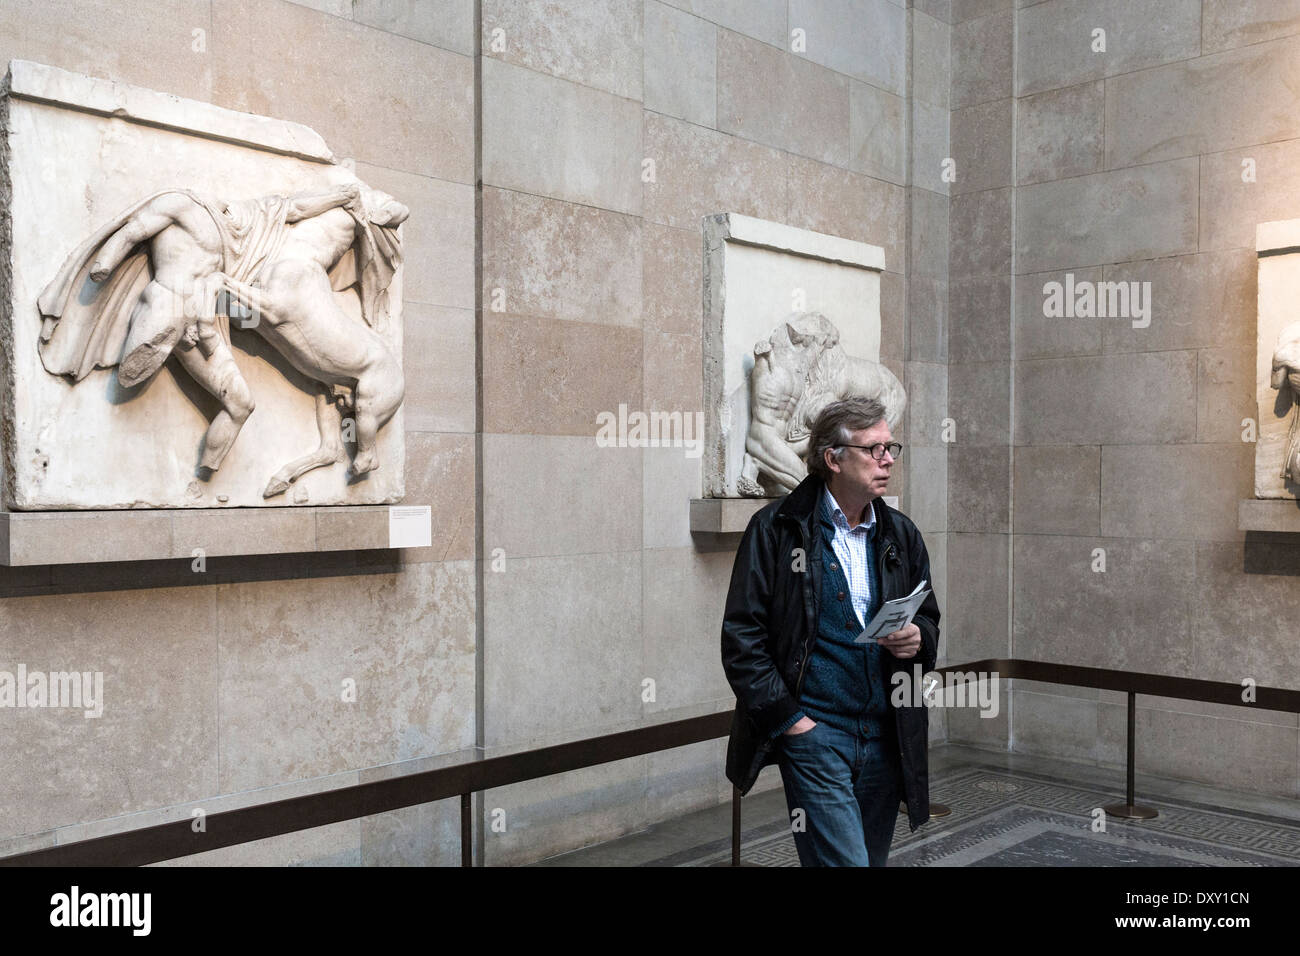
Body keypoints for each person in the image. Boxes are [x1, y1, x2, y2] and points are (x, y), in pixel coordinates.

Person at [720, 395, 941, 866]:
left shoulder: (901, 534)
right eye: (873, 449)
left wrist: (919, 637)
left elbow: (929, 618)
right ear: (833, 459)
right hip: (816, 735)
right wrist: (794, 726)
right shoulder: (776, 529)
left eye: (890, 448)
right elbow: (742, 640)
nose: (887, 461)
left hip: (886, 737)